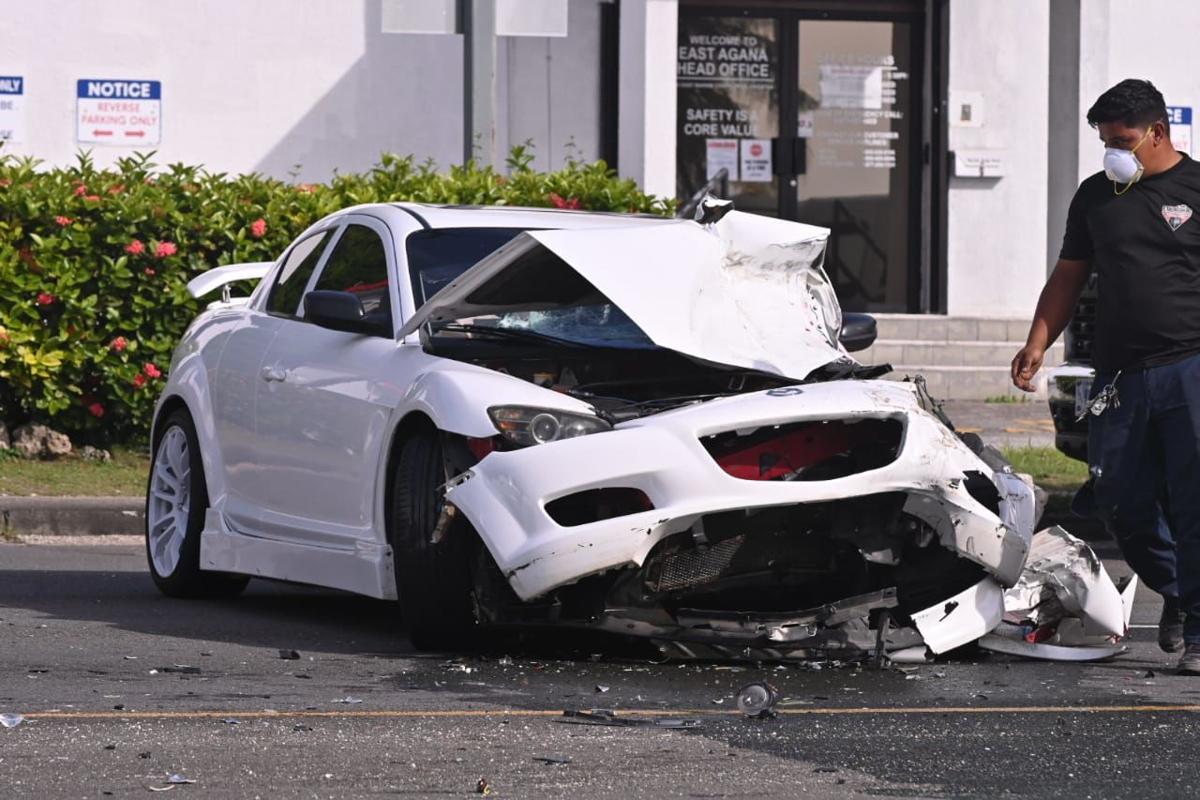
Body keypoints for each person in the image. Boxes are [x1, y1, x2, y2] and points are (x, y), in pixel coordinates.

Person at [1012, 78, 1200, 674]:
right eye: (1104, 140)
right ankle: (1177, 590)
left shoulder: (1197, 188)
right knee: (1119, 501)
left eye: (1122, 140)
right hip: (1121, 375)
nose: (1112, 151)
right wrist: (1036, 342)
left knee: (1195, 503)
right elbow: (1068, 276)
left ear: (1157, 133)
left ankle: (1199, 628)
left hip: (1191, 367)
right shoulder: (1096, 196)